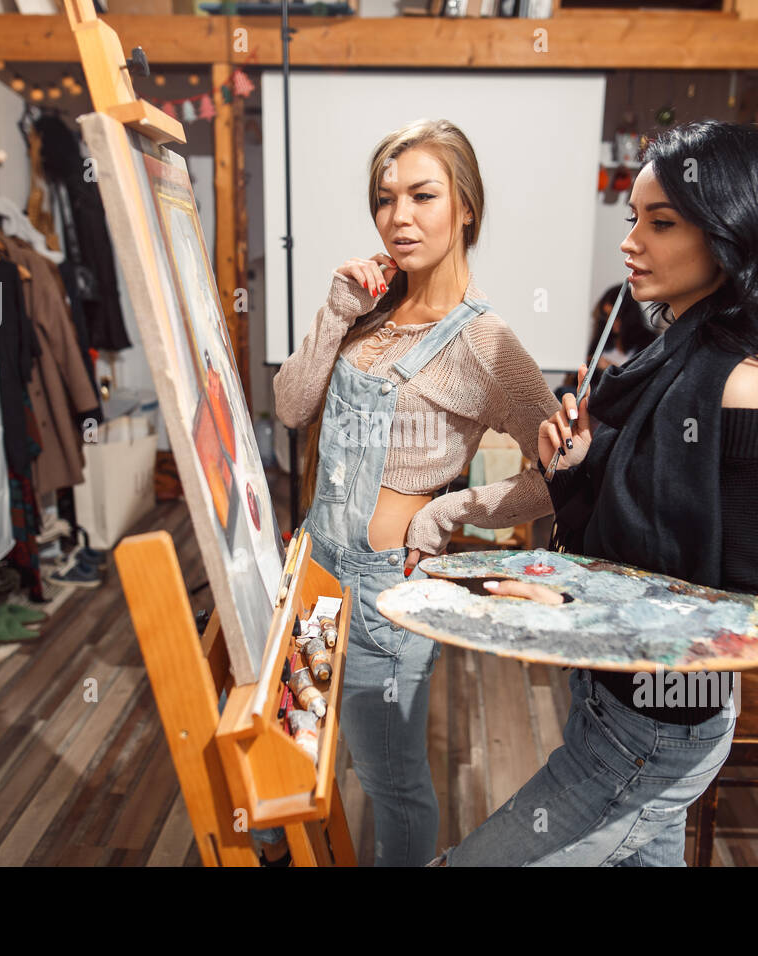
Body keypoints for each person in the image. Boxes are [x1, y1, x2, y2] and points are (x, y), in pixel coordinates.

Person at [438, 120, 758, 866]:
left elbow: (755, 613)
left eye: (661, 223)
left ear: (732, 232)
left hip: (658, 728)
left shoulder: (752, 387)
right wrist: (582, 462)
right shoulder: (672, 353)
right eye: (634, 219)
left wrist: (572, 604)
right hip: (615, 701)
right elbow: (632, 523)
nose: (631, 241)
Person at [269, 119, 560, 866]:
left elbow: (558, 477)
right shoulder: (367, 308)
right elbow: (291, 407)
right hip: (311, 572)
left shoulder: (486, 343)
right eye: (385, 198)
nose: (399, 217)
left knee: (388, 780)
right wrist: (332, 314)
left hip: (383, 596)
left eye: (422, 196)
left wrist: (445, 513)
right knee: (285, 753)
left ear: (465, 206)